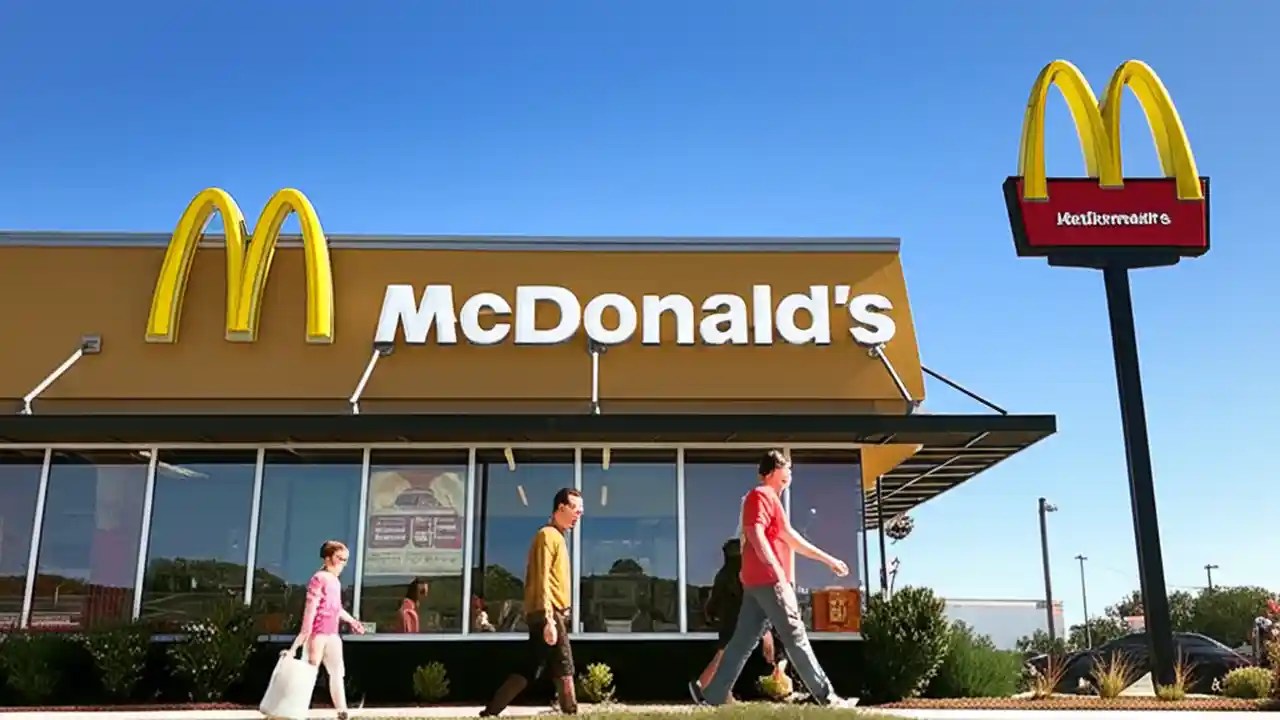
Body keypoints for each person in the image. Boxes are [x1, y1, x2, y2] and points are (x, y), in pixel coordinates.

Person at [690, 450, 857, 708]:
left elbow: (791, 538)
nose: (790, 473)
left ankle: (712, 698)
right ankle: (828, 698)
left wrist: (829, 560)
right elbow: (754, 533)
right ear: (774, 470)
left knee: (740, 644)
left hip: (757, 585)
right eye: (787, 468)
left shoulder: (772, 501)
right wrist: (777, 573)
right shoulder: (761, 495)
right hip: (769, 582)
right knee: (796, 637)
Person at [480, 488, 584, 717]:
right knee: (564, 664)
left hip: (550, 612)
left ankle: (491, 711)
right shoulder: (547, 536)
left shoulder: (558, 537)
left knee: (531, 667)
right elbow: (542, 577)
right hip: (548, 611)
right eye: (576, 509)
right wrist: (549, 618)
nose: (579, 515)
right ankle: (571, 711)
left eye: (581, 511)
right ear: (561, 508)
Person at [691, 537, 789, 702]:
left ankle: (719, 691)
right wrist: (765, 631)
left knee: (726, 657)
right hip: (737, 622)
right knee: (724, 657)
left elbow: (713, 603)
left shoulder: (723, 575)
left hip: (728, 622)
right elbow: (754, 603)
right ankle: (702, 686)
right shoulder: (743, 576)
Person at [291, 540, 366, 720]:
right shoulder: (319, 578)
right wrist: (303, 637)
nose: (342, 564)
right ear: (327, 558)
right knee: (311, 671)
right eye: (340, 559)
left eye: (345, 560)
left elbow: (335, 608)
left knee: (337, 672)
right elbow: (311, 609)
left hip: (331, 633)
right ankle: (297, 709)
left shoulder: (334, 581)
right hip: (317, 633)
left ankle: (342, 710)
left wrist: (352, 622)